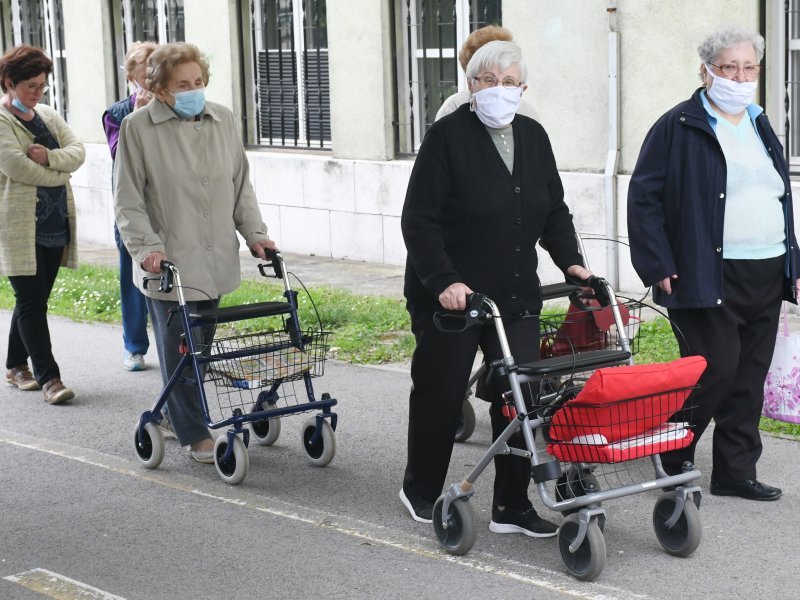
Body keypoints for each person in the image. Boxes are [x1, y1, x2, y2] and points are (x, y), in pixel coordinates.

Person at [399, 40, 591, 535]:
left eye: (510, 82)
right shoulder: (446, 137)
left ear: (522, 88)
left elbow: (554, 212)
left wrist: (572, 264)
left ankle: (512, 506)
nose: (499, 91)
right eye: (489, 81)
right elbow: (418, 220)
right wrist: (443, 280)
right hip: (453, 295)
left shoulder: (533, 135)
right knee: (441, 393)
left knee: (522, 397)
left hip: (513, 293)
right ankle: (420, 489)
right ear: (471, 85)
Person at [627, 24, 799, 501]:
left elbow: (779, 195)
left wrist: (794, 263)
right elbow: (644, 197)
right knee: (713, 370)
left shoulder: (761, 121)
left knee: (749, 376)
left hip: (766, 267)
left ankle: (735, 471)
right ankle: (672, 454)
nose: (741, 77)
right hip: (704, 270)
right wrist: (656, 261)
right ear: (706, 70)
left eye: (750, 67)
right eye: (730, 67)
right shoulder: (678, 125)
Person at [114, 42, 277, 463]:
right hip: (169, 263)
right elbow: (128, 201)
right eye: (182, 84)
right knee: (180, 350)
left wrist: (255, 234)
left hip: (215, 256)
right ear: (161, 88)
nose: (193, 90)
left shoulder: (222, 119)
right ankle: (194, 432)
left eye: (198, 82)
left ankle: (171, 411)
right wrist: (147, 248)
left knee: (199, 349)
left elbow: (240, 185)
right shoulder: (138, 128)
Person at [0, 44, 86, 405]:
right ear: (8, 83)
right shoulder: (2, 121)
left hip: (54, 224)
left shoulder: (47, 115)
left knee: (35, 300)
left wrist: (50, 157)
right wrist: (59, 172)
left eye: (42, 85)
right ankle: (50, 378)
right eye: (30, 86)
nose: (38, 93)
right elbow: (16, 167)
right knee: (32, 301)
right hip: (20, 227)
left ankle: (15, 365)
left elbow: (78, 152)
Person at [102, 41, 158, 372]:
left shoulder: (175, 106)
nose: (147, 86)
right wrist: (137, 116)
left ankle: (178, 347)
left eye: (152, 78)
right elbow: (119, 154)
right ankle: (134, 347)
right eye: (141, 79)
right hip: (131, 211)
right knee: (132, 281)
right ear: (130, 78)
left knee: (169, 283)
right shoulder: (116, 113)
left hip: (166, 209)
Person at [435, 25, 538, 122]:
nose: (498, 87)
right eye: (488, 79)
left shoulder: (526, 113)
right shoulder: (454, 106)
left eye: (508, 82)